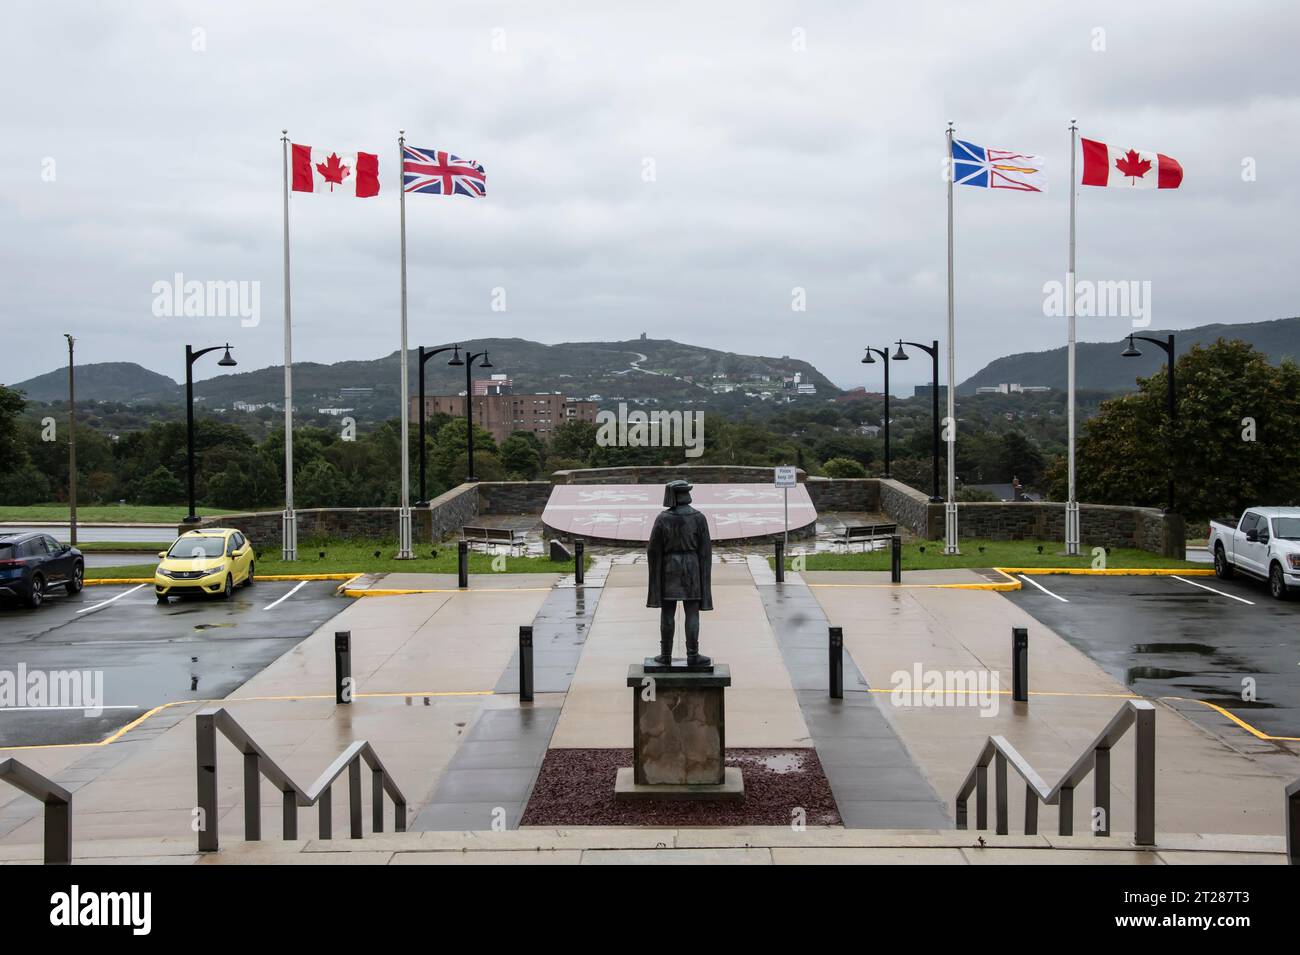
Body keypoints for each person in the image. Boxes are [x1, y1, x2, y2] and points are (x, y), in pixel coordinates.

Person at [645, 479, 713, 666]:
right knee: (692, 612)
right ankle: (693, 654)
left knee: (668, 612)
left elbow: (652, 550)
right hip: (692, 567)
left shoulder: (663, 518)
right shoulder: (699, 518)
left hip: (669, 568)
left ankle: (665, 654)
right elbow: (705, 551)